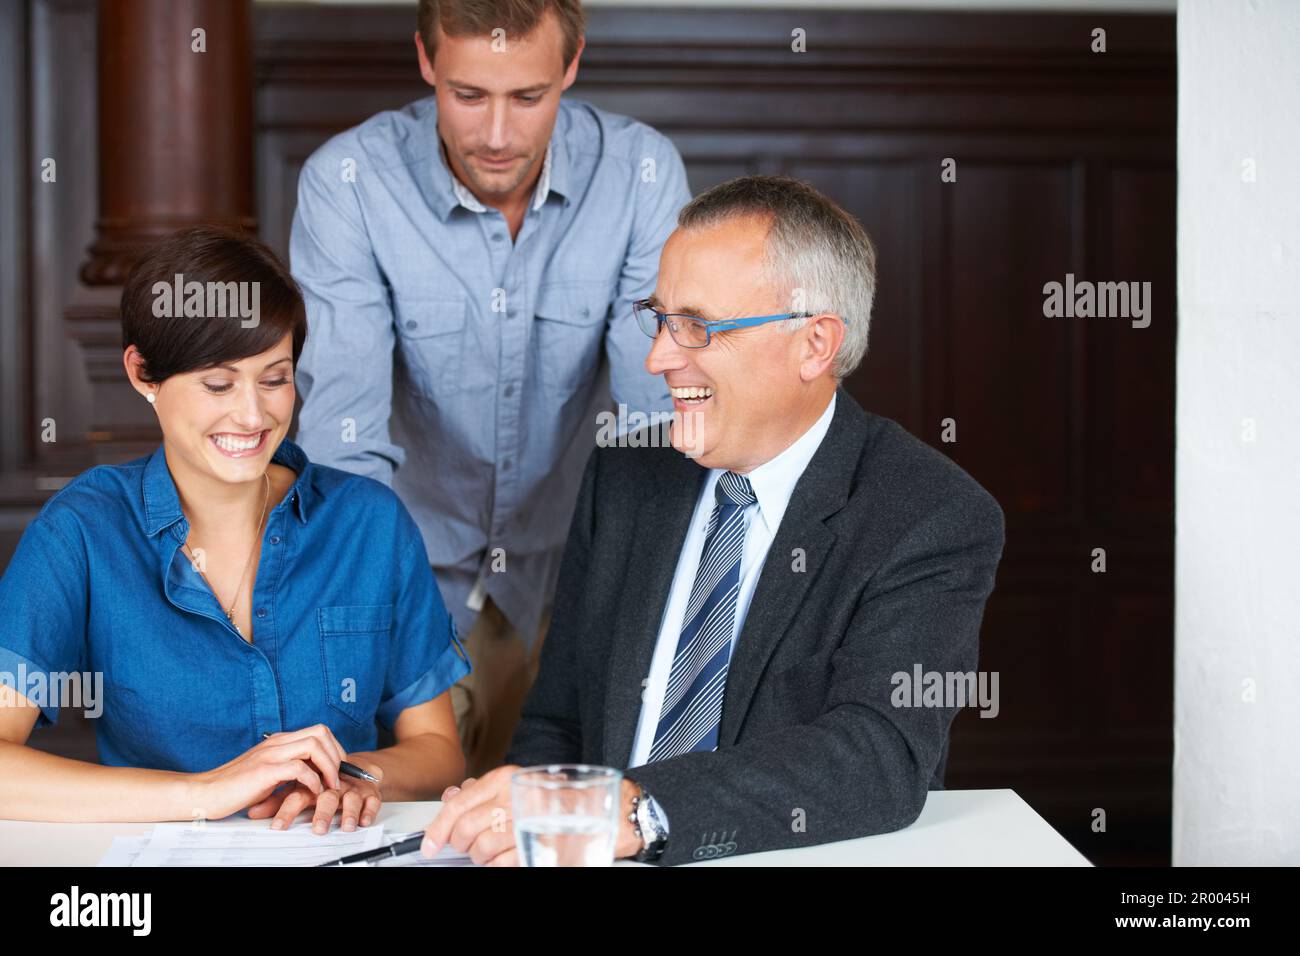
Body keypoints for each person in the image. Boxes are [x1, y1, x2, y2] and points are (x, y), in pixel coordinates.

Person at [420, 175, 1006, 865]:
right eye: (659, 317)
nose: (658, 357)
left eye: (697, 326)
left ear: (815, 344)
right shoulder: (624, 475)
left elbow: (878, 755)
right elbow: (558, 722)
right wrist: (528, 829)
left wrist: (640, 810)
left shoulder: (929, 513)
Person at [289, 0, 691, 778]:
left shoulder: (641, 175)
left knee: (554, 837)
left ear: (571, 66)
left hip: (575, 581)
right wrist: (365, 627)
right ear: (426, 62)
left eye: (528, 97)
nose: (497, 135)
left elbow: (657, 414)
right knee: (404, 835)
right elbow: (347, 440)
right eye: (468, 95)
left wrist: (643, 619)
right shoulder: (349, 183)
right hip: (410, 582)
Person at [0, 226, 469, 832]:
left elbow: (438, 749)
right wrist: (206, 792)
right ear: (143, 374)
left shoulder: (369, 522)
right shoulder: (83, 531)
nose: (253, 415)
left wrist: (355, 776)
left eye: (275, 379)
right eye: (218, 384)